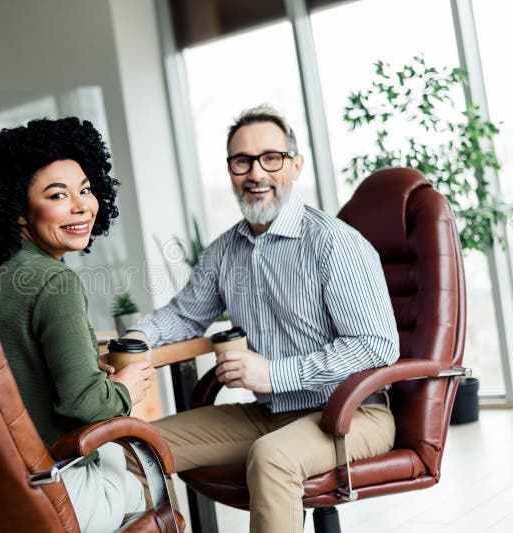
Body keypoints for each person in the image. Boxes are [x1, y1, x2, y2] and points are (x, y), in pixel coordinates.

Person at [120, 105, 399, 533]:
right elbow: (183, 314)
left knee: (272, 457)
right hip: (270, 414)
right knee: (138, 449)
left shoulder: (333, 243)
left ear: (295, 164)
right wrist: (139, 336)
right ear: (230, 170)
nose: (256, 172)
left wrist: (274, 373)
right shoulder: (224, 251)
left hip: (353, 414)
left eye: (271, 158)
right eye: (242, 161)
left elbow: (376, 346)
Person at [0, 117, 155, 533]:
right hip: (56, 490)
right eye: (57, 195)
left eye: (85, 189)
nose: (82, 205)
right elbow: (83, 404)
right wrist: (125, 390)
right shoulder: (53, 280)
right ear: (18, 212)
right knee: (152, 483)